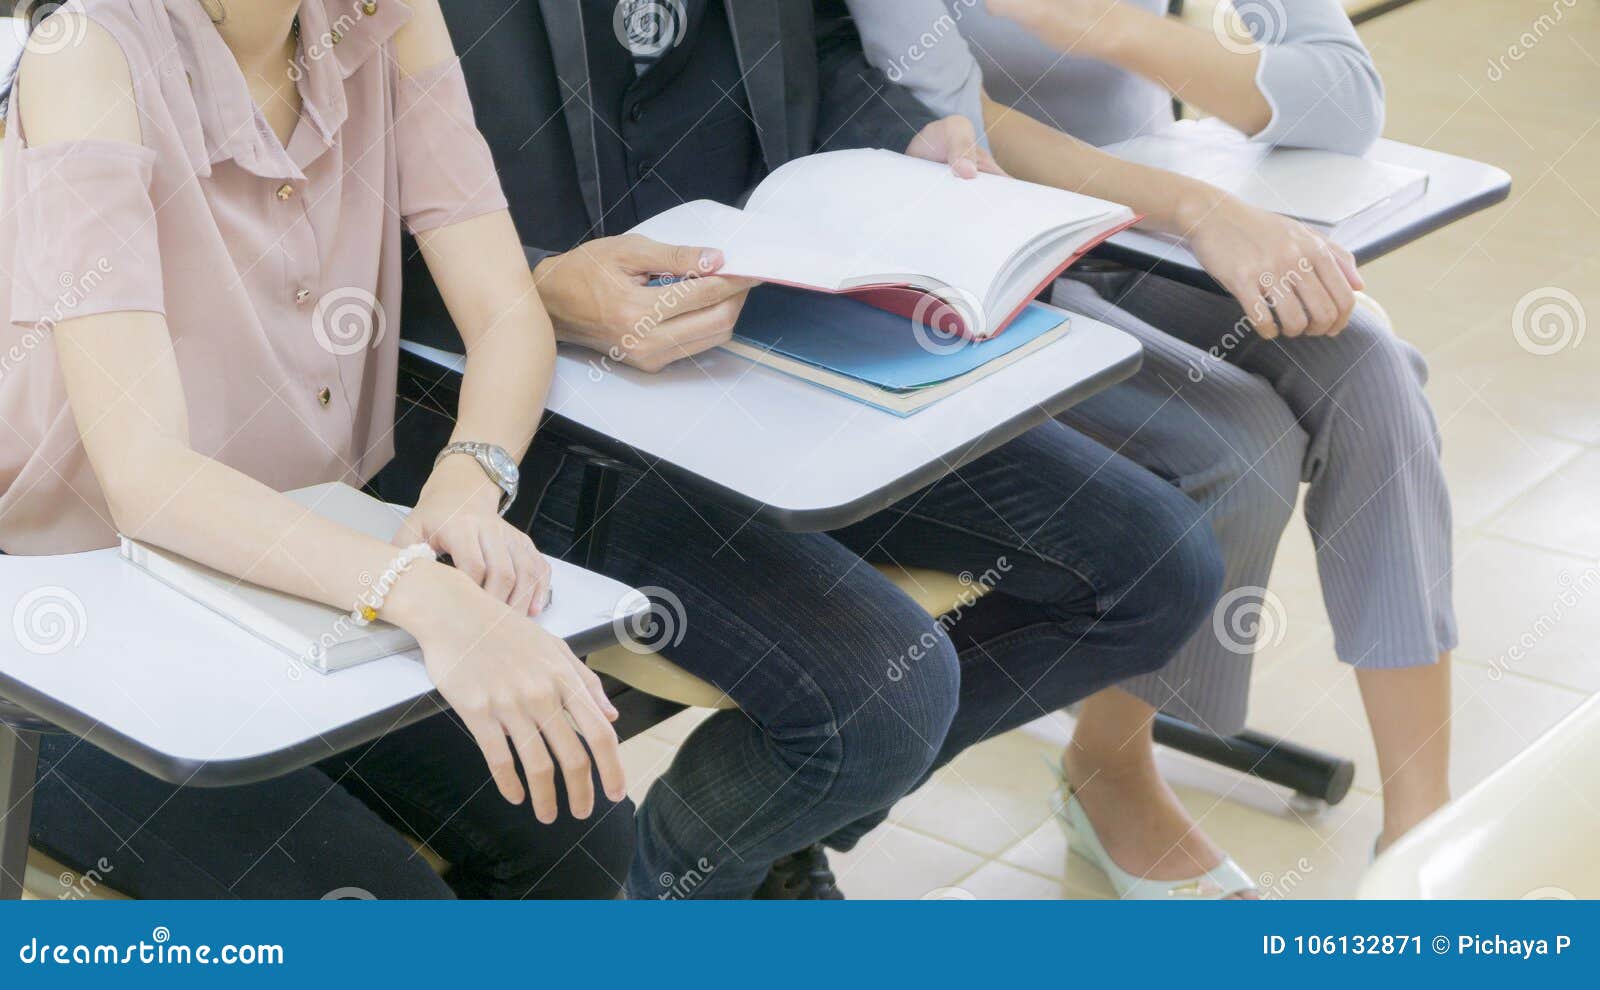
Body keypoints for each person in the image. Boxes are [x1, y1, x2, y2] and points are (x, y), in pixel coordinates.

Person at [387, 0, 1227, 899]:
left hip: (773, 344)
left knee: (1160, 566)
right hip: (527, 416)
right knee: (881, 702)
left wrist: (898, 139)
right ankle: (683, 879)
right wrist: (539, 291)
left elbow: (821, 43)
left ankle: (732, 846)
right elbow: (315, 248)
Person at [0, 0, 634, 899]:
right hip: (68, 620)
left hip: (298, 575)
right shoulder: (86, 55)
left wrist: (468, 480)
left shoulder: (388, 17)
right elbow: (148, 481)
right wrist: (425, 597)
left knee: (578, 823)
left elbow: (506, 316)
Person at [848, 0, 1455, 896]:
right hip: (975, 264)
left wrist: (1108, 26)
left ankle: (1424, 837)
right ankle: (1112, 770)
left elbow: (1346, 94)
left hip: (1141, 238)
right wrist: (1199, 208)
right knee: (1238, 441)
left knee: (1372, 377)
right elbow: (948, 122)